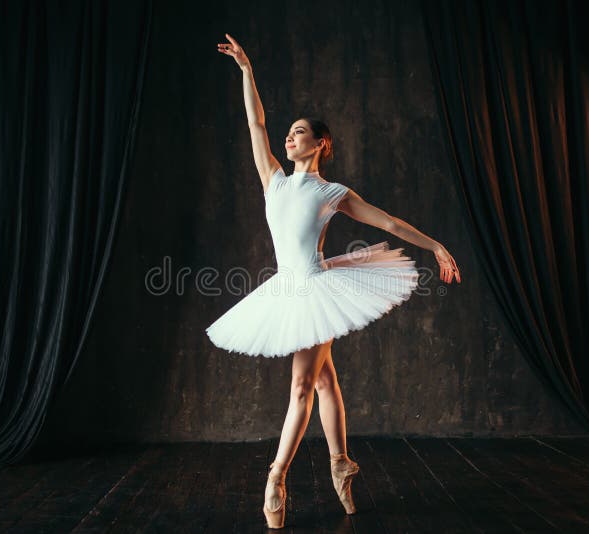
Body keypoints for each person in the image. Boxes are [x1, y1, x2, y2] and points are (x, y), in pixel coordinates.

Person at [210, 33, 462, 529]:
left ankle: (275, 478)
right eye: (289, 133)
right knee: (324, 381)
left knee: (303, 385)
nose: (289, 136)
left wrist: (433, 244)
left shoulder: (333, 191)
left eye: (299, 132)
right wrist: (246, 70)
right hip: (287, 287)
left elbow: (387, 224)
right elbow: (255, 122)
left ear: (320, 143)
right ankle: (341, 464)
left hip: (318, 288)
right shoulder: (274, 180)